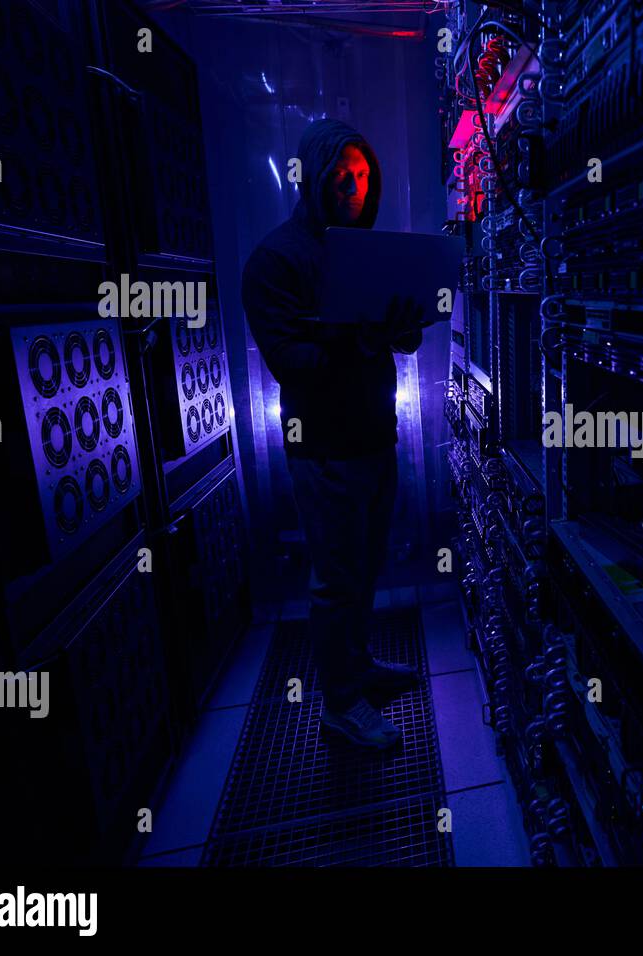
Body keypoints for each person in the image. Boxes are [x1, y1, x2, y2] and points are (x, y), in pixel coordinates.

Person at [242, 118, 424, 750]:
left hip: (375, 436)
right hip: (324, 448)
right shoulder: (275, 261)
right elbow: (291, 363)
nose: (355, 185)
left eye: (364, 175)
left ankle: (358, 665)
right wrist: (360, 343)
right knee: (334, 579)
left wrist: (403, 322)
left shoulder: (365, 251)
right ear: (314, 176)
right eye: (343, 175)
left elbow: (400, 339)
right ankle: (341, 705)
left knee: (364, 568)